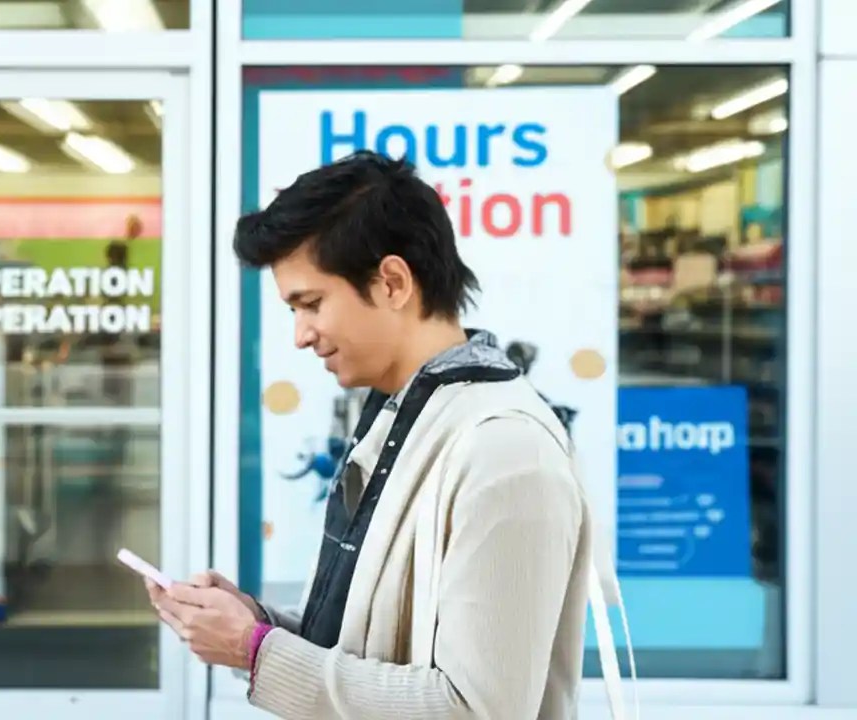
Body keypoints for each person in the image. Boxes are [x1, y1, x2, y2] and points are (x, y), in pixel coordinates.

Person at [145, 151, 615, 719]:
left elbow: (476, 710)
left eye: (312, 304)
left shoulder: (505, 452)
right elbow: (369, 642)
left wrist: (256, 652)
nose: (301, 335)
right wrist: (256, 626)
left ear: (392, 282)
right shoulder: (401, 414)